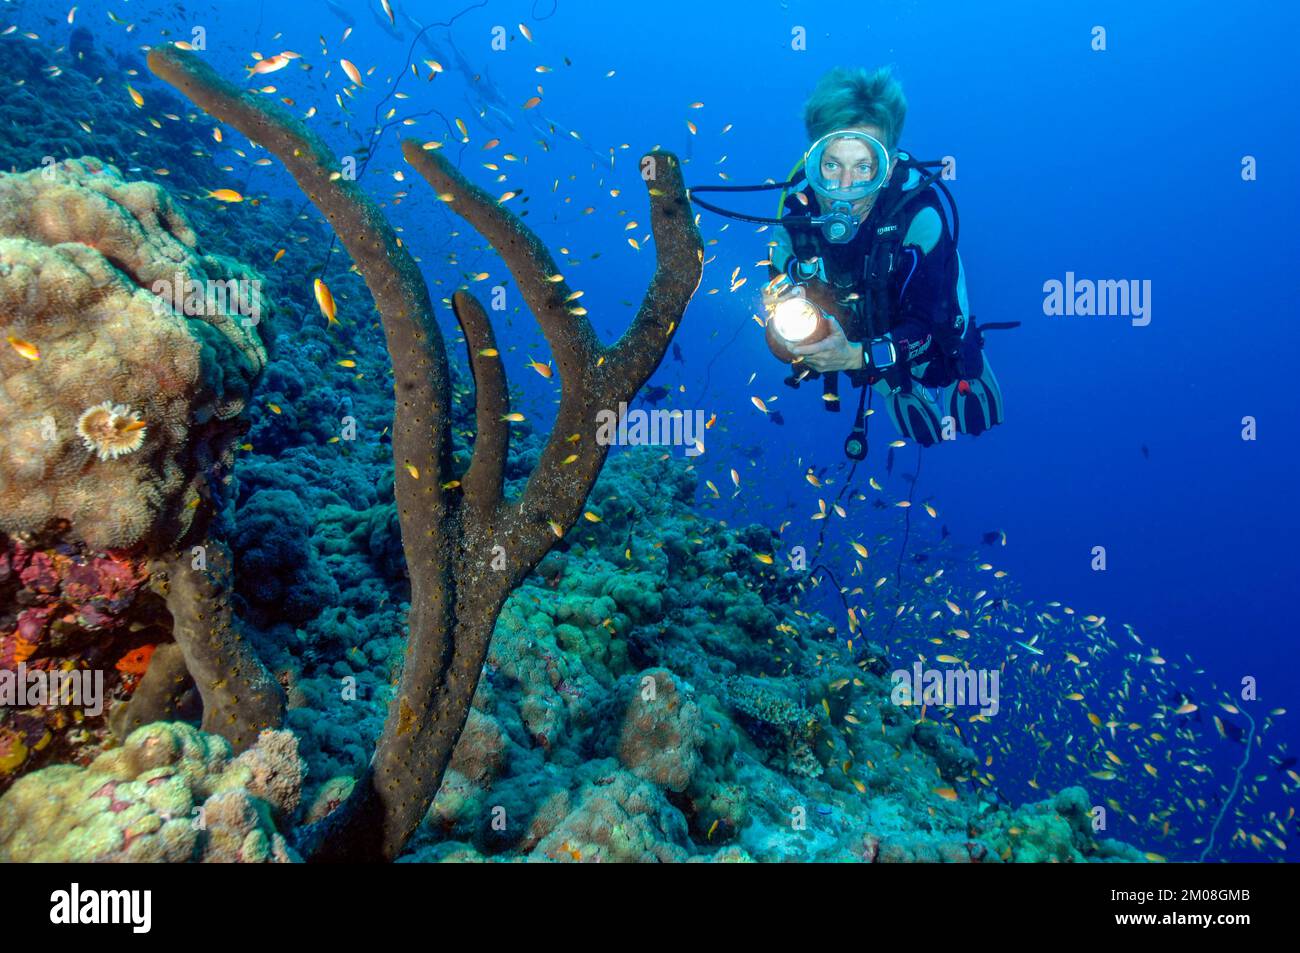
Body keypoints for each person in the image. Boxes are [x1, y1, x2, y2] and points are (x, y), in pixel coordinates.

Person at [765, 66, 1005, 447]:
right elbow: (781, 332)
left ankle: (967, 368)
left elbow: (928, 324)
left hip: (922, 322)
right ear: (812, 163)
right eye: (831, 166)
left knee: (946, 357)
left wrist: (853, 357)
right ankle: (891, 383)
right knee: (879, 368)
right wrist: (795, 334)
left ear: (888, 166)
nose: (844, 189)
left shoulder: (919, 215)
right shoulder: (797, 218)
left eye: (863, 167)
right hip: (856, 332)